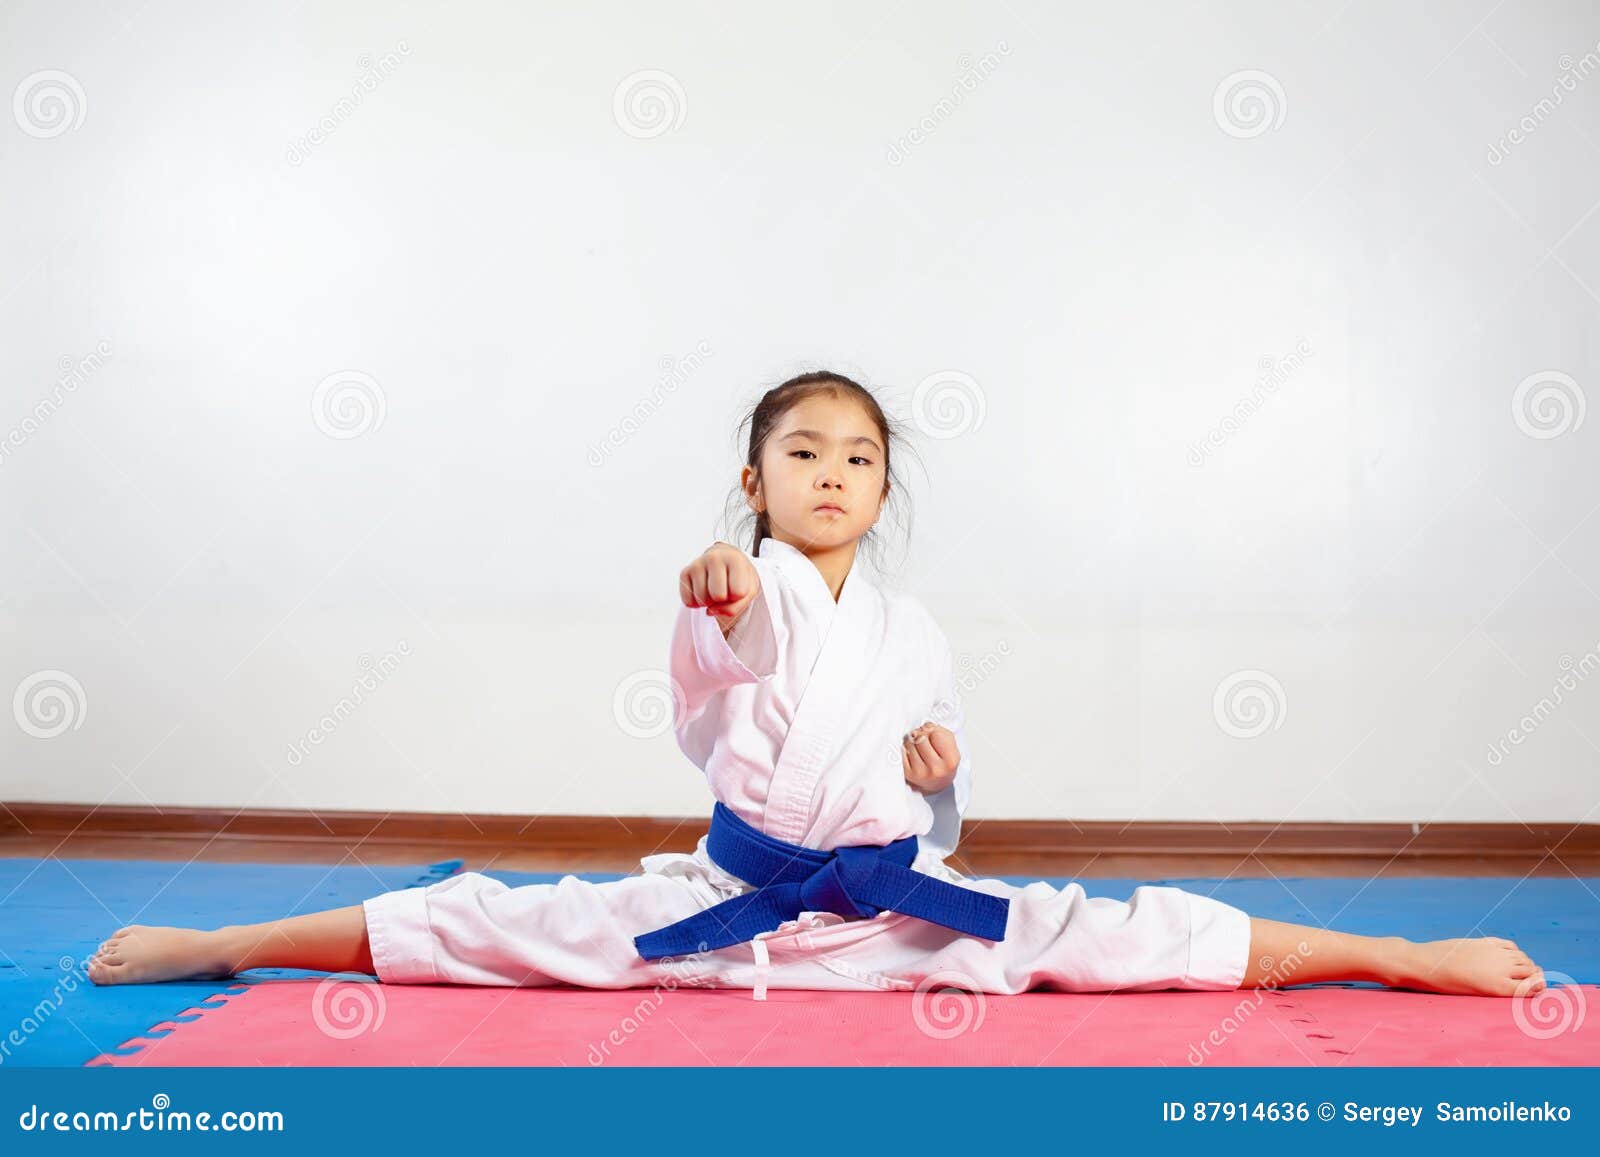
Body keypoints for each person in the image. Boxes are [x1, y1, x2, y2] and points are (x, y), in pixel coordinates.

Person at [87, 371, 1546, 1000]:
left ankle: (1408, 961)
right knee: (506, 914)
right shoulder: (745, 581)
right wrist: (716, 598)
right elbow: (716, 683)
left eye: (858, 455)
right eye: (804, 453)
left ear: (885, 481)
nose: (834, 472)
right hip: (738, 906)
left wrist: (940, 772)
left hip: (904, 912)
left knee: (1125, 929)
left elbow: (947, 804)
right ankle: (229, 940)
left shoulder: (912, 623)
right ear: (755, 482)